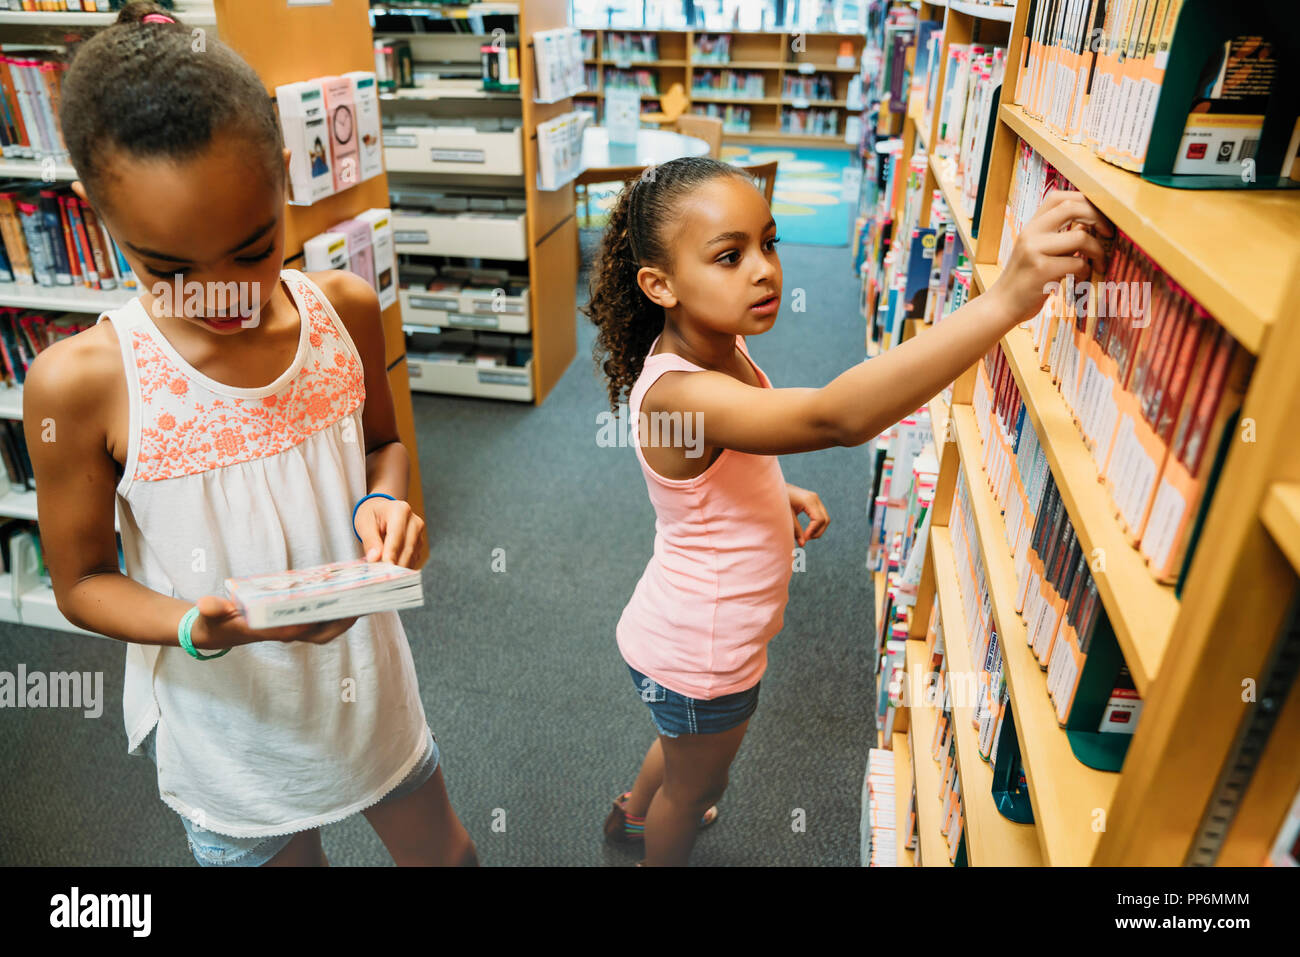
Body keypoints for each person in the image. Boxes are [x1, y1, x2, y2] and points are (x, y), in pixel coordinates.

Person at [26, 1, 476, 867]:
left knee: (449, 857)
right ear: (100, 219)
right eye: (169, 268)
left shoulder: (340, 307)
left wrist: (387, 497)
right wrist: (197, 626)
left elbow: (384, 442)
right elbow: (82, 580)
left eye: (254, 247)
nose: (222, 294)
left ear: (282, 177)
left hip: (367, 685)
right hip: (229, 723)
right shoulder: (82, 382)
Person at [583, 156, 1110, 865]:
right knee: (699, 777)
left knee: (682, 744)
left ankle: (634, 808)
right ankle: (658, 823)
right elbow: (836, 417)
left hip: (681, 637)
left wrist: (773, 490)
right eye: (729, 256)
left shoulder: (713, 341)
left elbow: (723, 458)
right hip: (703, 651)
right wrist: (1003, 301)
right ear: (660, 285)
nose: (764, 269)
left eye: (768, 243)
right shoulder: (679, 394)